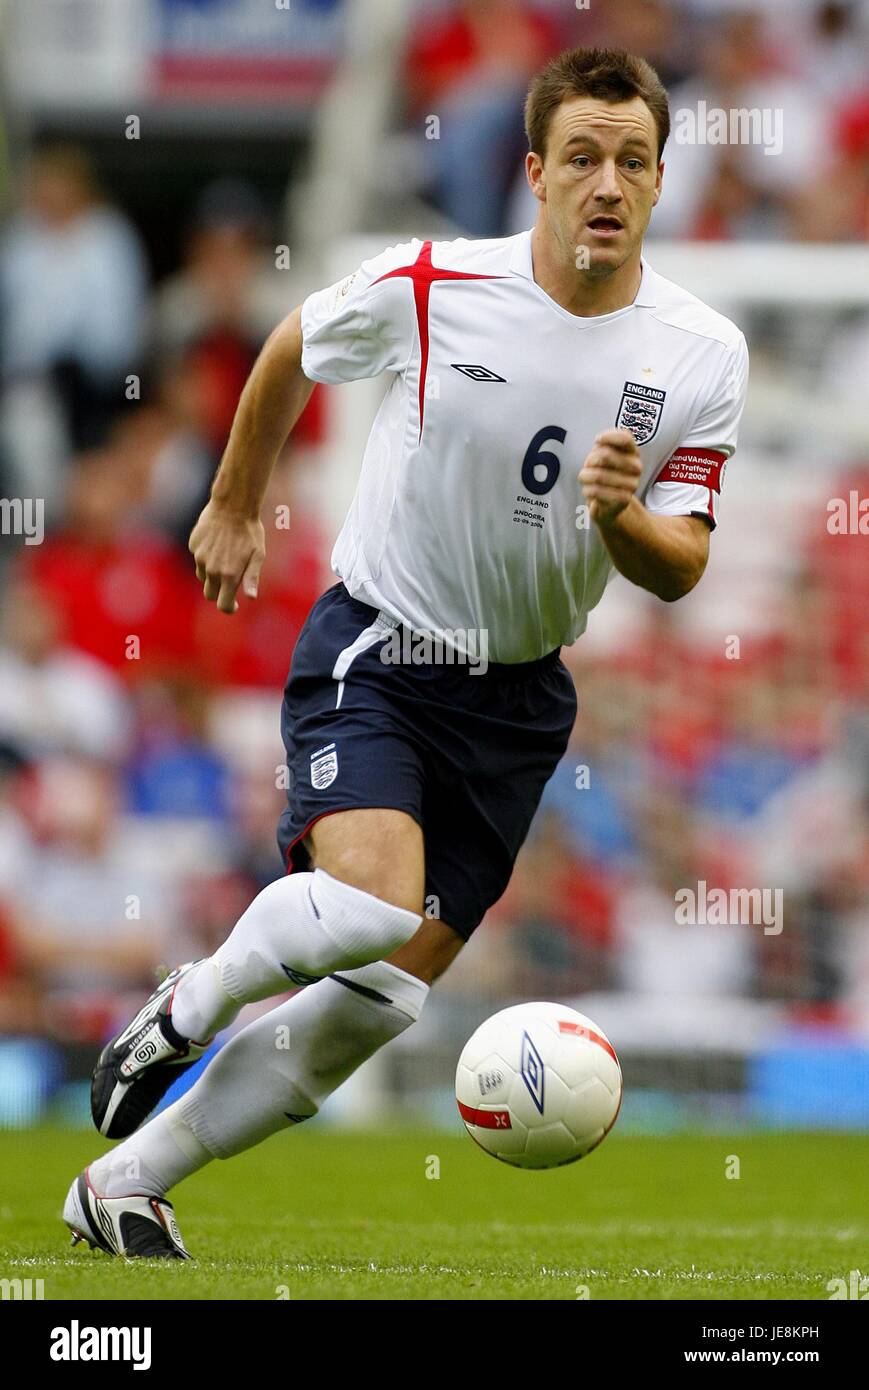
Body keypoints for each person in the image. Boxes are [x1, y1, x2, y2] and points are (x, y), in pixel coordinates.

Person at [63, 46, 749, 1259]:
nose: (606, 182)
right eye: (581, 157)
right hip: (380, 646)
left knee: (381, 995)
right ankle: (189, 1001)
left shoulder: (702, 354)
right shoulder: (432, 283)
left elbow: (682, 560)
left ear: (656, 181)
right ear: (533, 174)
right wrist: (230, 503)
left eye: (632, 160)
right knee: (373, 905)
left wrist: (618, 519)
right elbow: (288, 346)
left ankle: (125, 1182)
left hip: (522, 696)